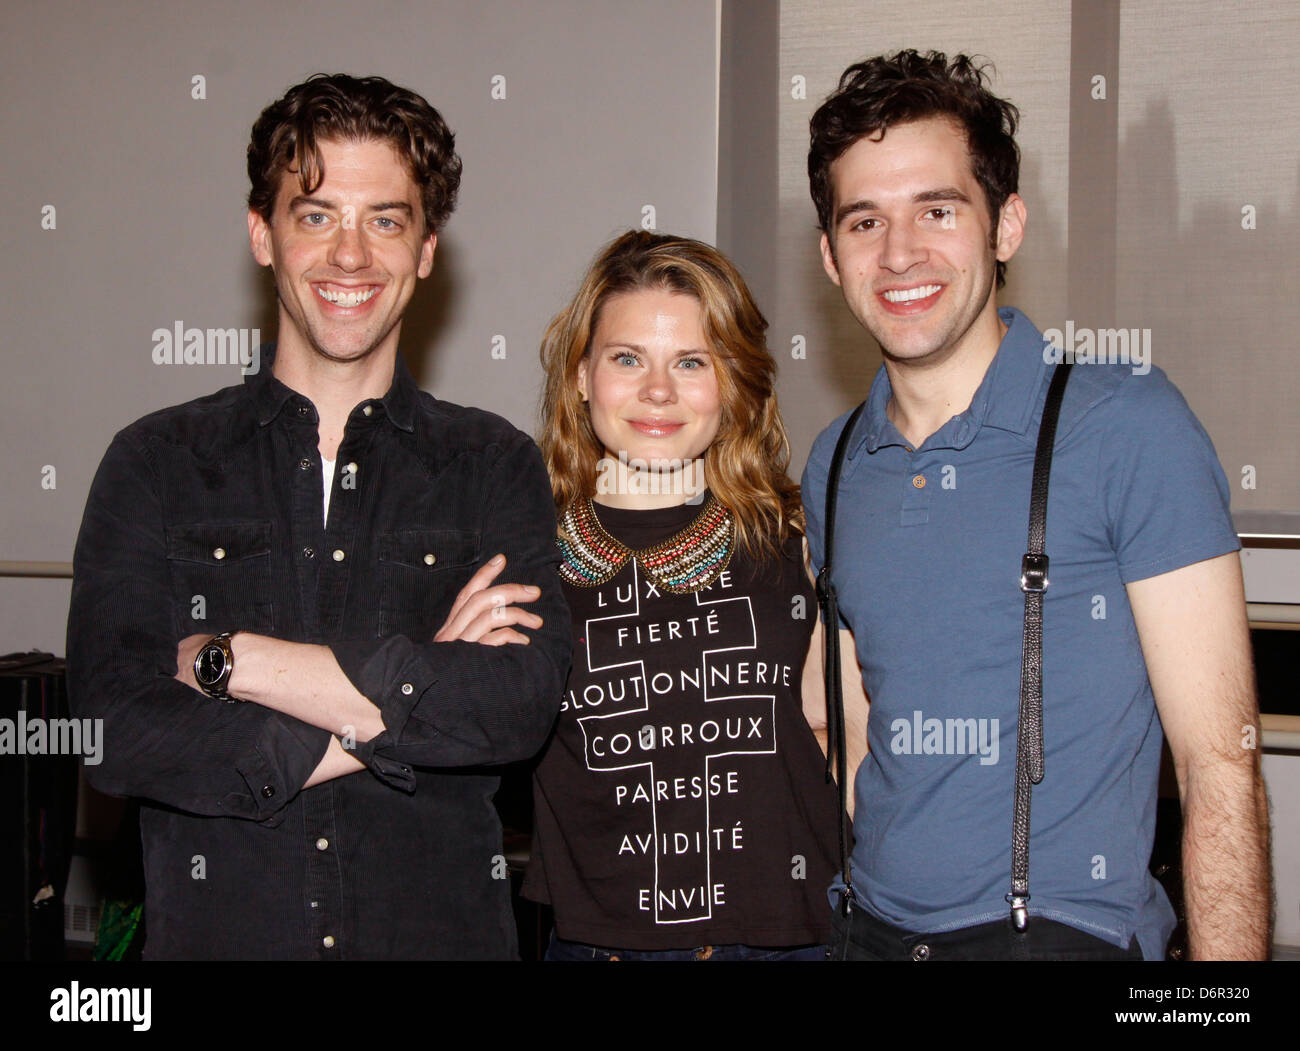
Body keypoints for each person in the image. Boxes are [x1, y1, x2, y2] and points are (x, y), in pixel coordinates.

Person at [65, 73, 571, 960]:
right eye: (316, 215)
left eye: (385, 219)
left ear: (425, 250)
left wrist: (238, 662)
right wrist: (412, 697)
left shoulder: (493, 464)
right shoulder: (154, 462)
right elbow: (113, 731)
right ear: (262, 234)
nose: (350, 256)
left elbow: (516, 706)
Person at [802, 50, 1271, 960]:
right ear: (829, 256)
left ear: (1005, 225)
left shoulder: (1129, 424)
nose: (899, 254)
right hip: (867, 934)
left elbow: (1220, 764)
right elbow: (854, 723)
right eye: (865, 222)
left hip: (1059, 938)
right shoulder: (833, 463)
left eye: (937, 210)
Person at [514, 230, 843, 959]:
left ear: (733, 381)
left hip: (793, 943)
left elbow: (848, 748)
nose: (657, 390)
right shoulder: (518, 554)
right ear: (580, 375)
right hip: (597, 946)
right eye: (627, 358)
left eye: (691, 361)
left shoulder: (804, 538)